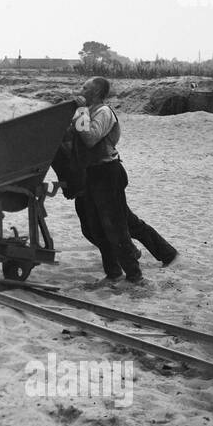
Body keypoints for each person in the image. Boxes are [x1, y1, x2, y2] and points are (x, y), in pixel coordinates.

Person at [69, 76, 172, 285]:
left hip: (107, 173)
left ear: (96, 92)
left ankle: (134, 275)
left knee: (115, 226)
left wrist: (80, 112)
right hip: (91, 173)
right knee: (96, 227)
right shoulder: (87, 112)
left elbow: (90, 139)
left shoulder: (103, 112)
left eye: (85, 87)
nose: (81, 90)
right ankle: (113, 273)